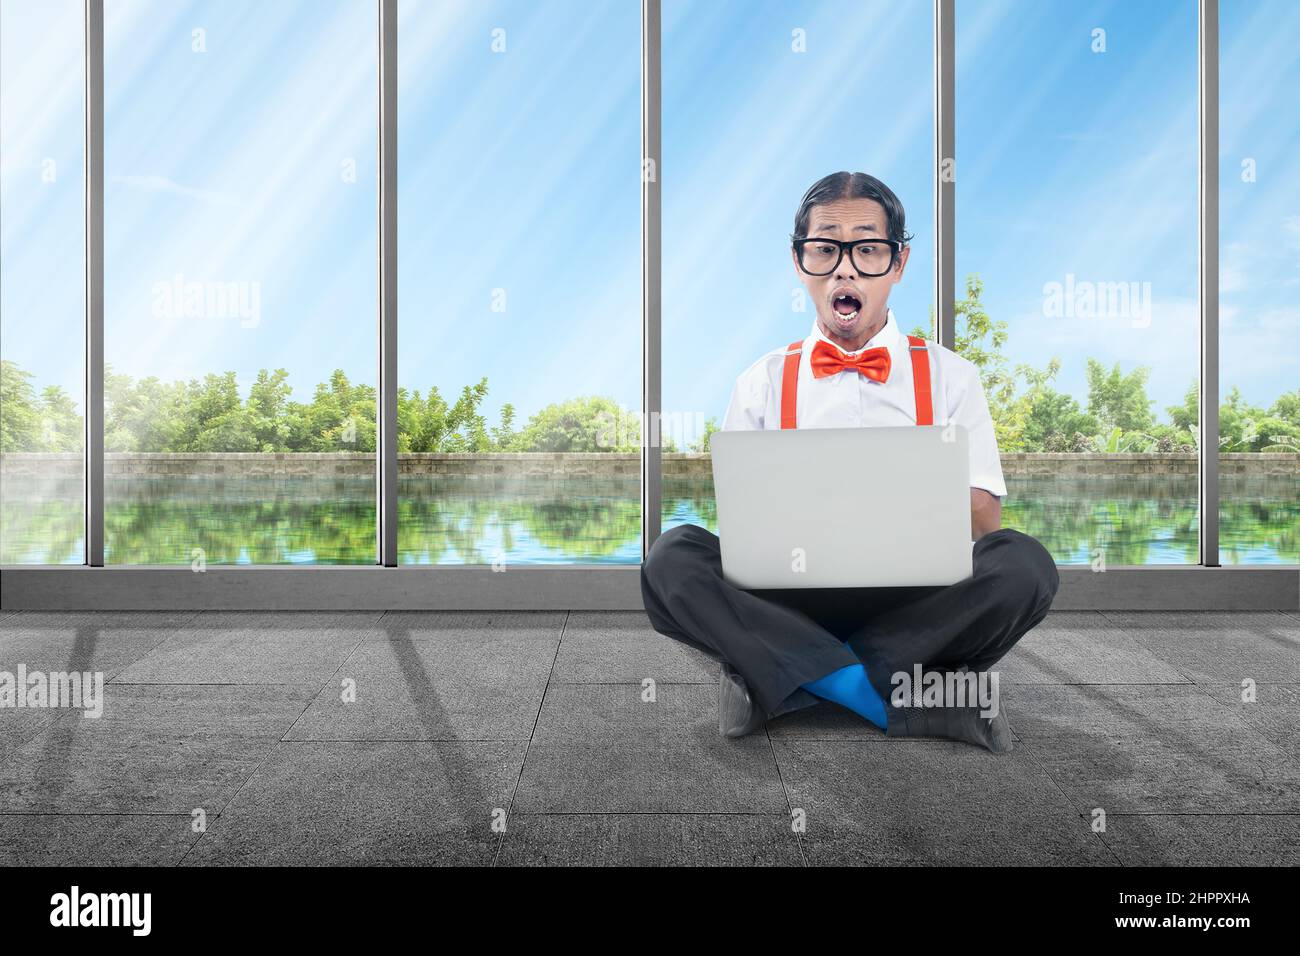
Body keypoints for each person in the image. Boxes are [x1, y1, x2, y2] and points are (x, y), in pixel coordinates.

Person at [640, 171, 1059, 752]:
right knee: (672, 559)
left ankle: (783, 682)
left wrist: (919, 498)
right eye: (825, 248)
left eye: (866, 248)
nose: (845, 268)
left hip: (918, 602)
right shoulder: (761, 380)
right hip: (791, 601)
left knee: (1025, 566)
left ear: (898, 263)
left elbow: (987, 529)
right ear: (799, 261)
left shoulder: (951, 376)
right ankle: (910, 700)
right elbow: (739, 535)